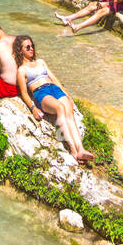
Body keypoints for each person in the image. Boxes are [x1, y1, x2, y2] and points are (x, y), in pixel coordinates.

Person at [13, 35, 94, 163]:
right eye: (27, 47)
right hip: (41, 92)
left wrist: (67, 94)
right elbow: (24, 93)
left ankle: (81, 149)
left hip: (54, 89)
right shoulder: (21, 70)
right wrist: (33, 108)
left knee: (69, 111)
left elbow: (54, 78)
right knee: (60, 108)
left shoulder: (41, 62)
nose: (31, 49)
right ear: (20, 50)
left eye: (32, 46)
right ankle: (73, 149)